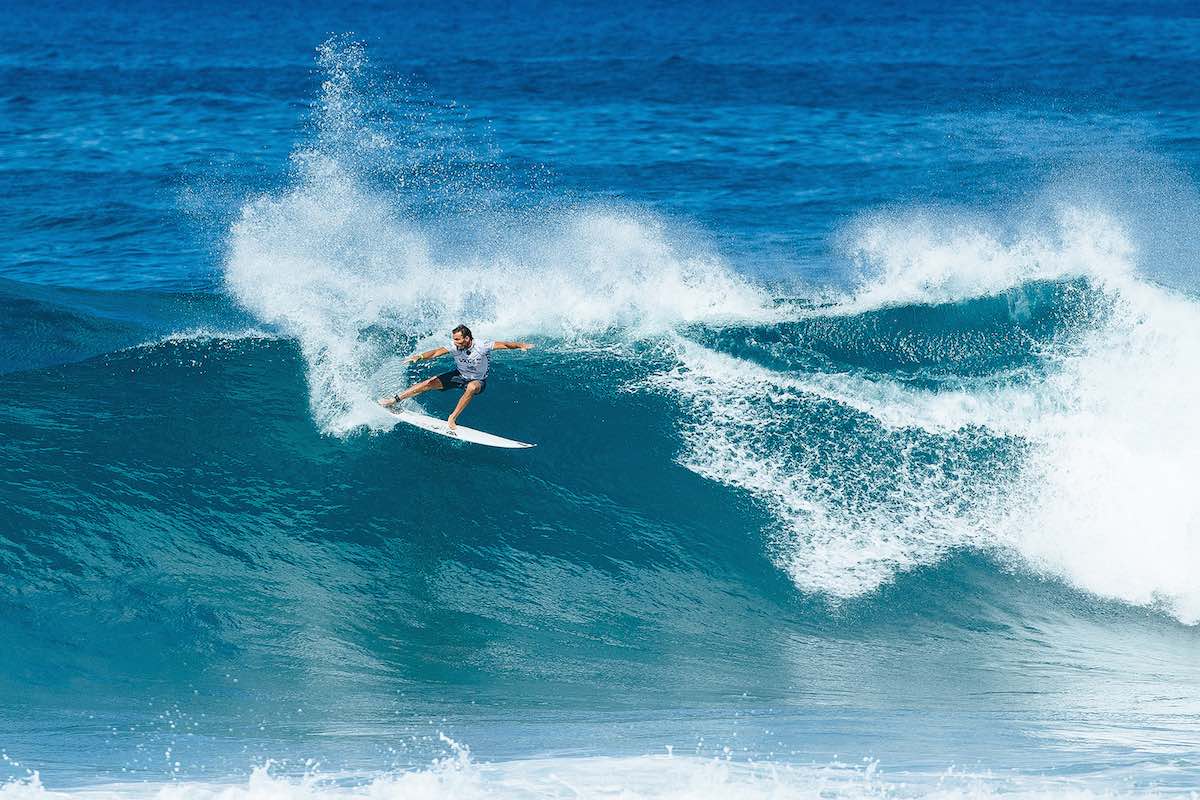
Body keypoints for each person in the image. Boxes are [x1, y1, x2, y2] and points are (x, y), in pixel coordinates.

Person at [378, 324, 534, 430]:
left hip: (477, 380)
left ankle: (452, 418)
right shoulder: (454, 346)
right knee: (429, 382)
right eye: (454, 339)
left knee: (472, 387)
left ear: (467, 338)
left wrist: (520, 345)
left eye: (457, 339)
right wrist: (419, 357)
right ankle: (394, 400)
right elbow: (435, 352)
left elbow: (505, 345)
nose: (455, 342)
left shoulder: (482, 345)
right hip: (459, 375)